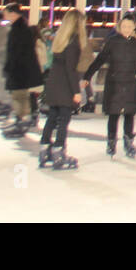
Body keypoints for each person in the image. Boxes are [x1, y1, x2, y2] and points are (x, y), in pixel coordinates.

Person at [81, 14, 136, 157]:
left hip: (131, 83)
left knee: (129, 114)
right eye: (124, 26)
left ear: (134, 27)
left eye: (129, 26)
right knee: (114, 114)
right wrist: (88, 75)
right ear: (119, 27)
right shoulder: (112, 42)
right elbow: (100, 59)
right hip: (115, 83)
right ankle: (111, 142)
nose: (126, 29)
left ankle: (128, 141)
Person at [37, 10, 87, 170]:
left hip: (53, 84)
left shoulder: (60, 40)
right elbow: (70, 69)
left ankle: (45, 150)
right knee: (63, 120)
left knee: (52, 117)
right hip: (65, 86)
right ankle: (59, 151)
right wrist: (76, 91)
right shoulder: (74, 43)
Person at [1, 2, 45, 138]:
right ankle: (21, 122)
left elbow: (18, 52)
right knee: (20, 97)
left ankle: (22, 123)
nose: (5, 16)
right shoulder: (20, 27)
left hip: (20, 71)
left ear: (13, 13)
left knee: (20, 97)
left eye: (6, 13)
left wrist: (11, 67)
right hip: (21, 70)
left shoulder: (19, 29)